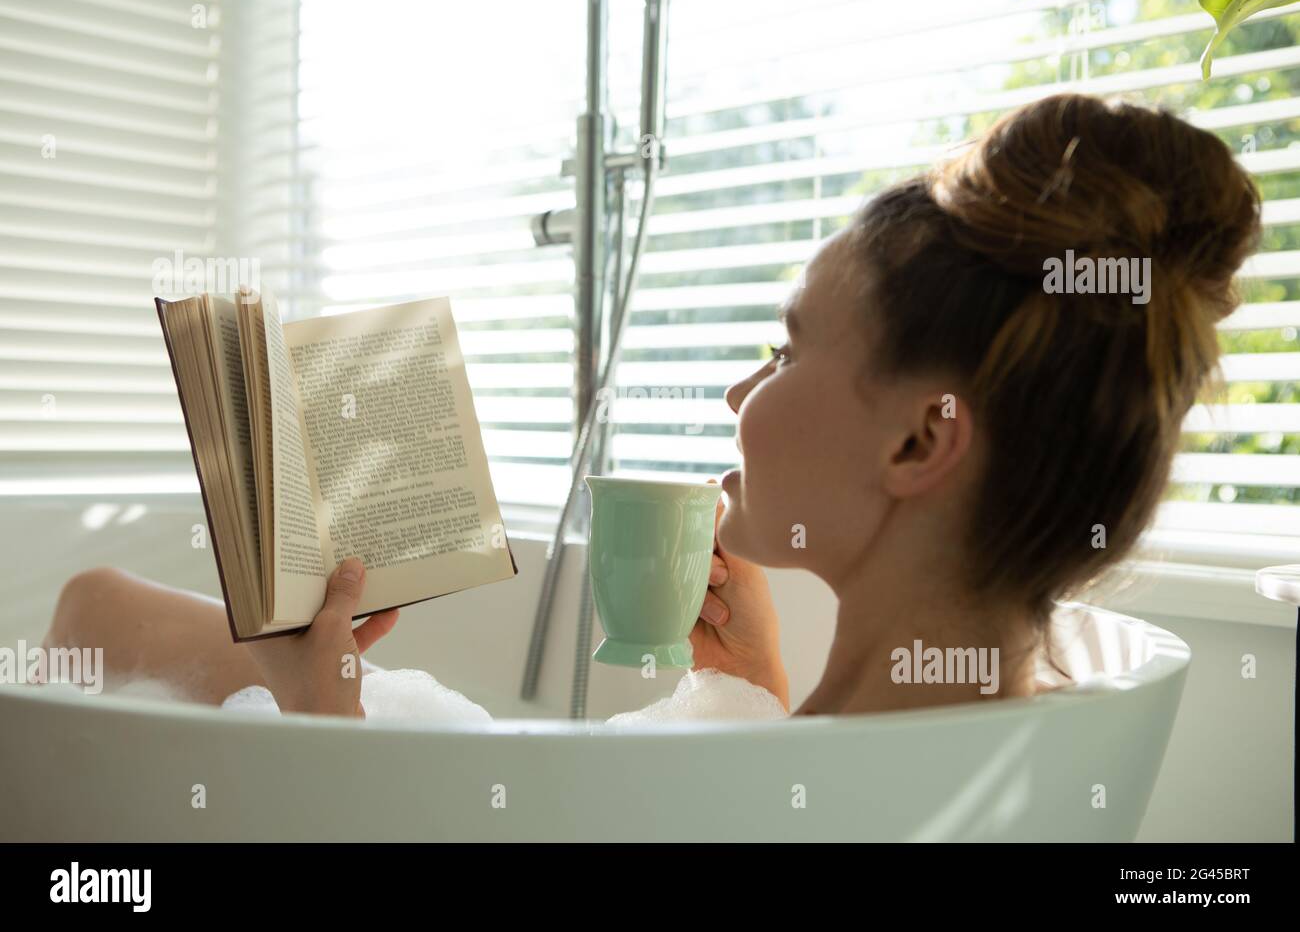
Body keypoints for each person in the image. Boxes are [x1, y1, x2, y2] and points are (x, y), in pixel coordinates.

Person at [43, 93, 1262, 719]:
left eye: (784, 350)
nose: (741, 389)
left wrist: (318, 728)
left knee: (92, 616)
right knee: (97, 606)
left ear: (918, 438)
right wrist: (763, 692)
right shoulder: (1007, 714)